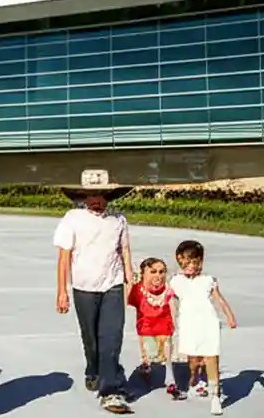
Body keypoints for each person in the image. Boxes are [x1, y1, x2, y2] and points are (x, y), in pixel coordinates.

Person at [53, 169, 136, 414]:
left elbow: (125, 250)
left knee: (111, 337)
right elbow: (63, 257)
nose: (97, 199)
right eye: (91, 195)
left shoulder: (118, 219)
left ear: (109, 195)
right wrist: (62, 291)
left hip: (112, 285)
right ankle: (93, 368)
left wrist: (130, 277)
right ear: (82, 196)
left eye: (101, 194)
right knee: (91, 339)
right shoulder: (72, 218)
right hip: (83, 287)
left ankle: (110, 391)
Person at [169, 240, 238, 415]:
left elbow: (219, 299)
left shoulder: (208, 280)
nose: (191, 266)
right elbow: (168, 301)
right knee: (193, 360)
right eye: (187, 261)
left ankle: (216, 395)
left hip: (208, 322)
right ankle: (195, 379)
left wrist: (230, 316)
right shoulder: (176, 281)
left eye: (195, 262)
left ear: (201, 262)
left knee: (211, 357)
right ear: (179, 261)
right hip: (188, 324)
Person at [127, 258, 181, 398]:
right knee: (152, 355)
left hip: (164, 325)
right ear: (144, 273)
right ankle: (147, 367)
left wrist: (175, 320)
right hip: (146, 327)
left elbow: (172, 304)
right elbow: (127, 300)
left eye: (162, 272)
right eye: (153, 272)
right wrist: (130, 283)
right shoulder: (139, 289)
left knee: (167, 354)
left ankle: (171, 381)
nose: (158, 275)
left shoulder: (167, 289)